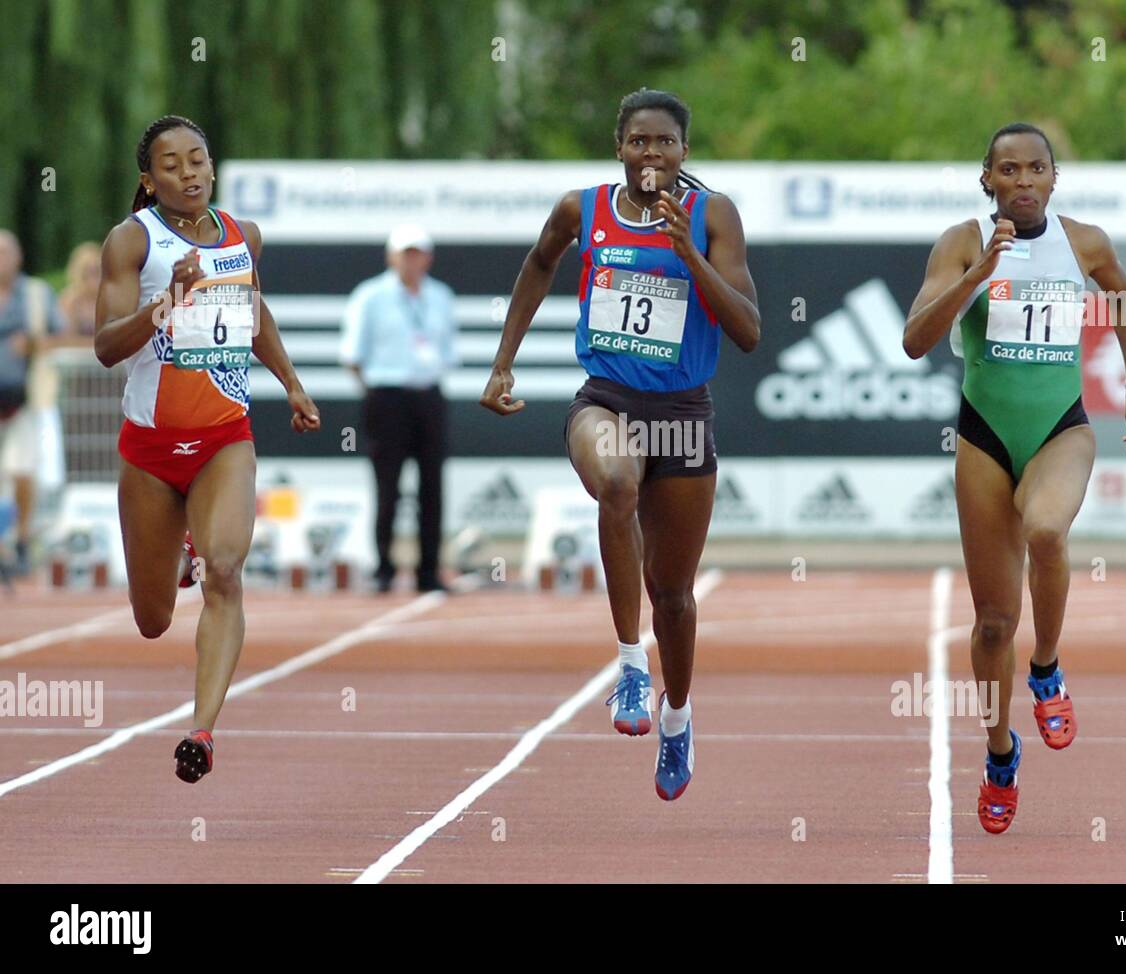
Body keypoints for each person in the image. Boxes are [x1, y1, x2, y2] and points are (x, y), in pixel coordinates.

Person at [480, 89, 761, 801]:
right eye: (638, 141)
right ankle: (630, 666)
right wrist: (503, 360)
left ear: (683, 152)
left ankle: (678, 714)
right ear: (619, 147)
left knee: (674, 596)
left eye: (664, 142)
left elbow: (750, 328)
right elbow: (538, 264)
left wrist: (688, 255)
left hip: (684, 413)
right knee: (616, 483)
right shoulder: (583, 209)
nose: (651, 154)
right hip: (606, 399)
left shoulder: (712, 214)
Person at [903, 122, 1126, 833]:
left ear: (1052, 179)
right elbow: (915, 340)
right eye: (1007, 169)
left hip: (1060, 428)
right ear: (987, 179)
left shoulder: (1085, 243)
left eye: (1035, 168)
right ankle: (998, 752)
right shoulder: (960, 242)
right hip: (984, 436)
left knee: (1047, 528)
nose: (1022, 180)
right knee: (990, 623)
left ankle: (1046, 666)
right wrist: (980, 274)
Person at [94, 115, 320, 783]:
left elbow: (255, 313)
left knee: (226, 571)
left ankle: (202, 729)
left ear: (212, 166)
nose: (188, 172)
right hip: (151, 452)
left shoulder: (243, 237)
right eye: (171, 164)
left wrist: (292, 384)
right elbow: (106, 347)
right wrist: (168, 300)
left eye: (197, 159)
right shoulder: (131, 242)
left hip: (225, 440)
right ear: (149, 180)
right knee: (153, 618)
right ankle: (181, 551)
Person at [340, 224, 457, 594]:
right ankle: (384, 569)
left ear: (429, 257)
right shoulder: (370, 296)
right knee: (386, 485)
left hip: (429, 395)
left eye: (418, 253)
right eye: (405, 253)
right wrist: (375, 390)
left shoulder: (440, 296)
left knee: (432, 488)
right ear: (392, 257)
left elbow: (448, 351)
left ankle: (428, 572)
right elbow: (353, 354)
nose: (412, 260)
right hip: (386, 396)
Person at [0, 229, 67, 575]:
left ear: (19, 257)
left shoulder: (37, 294)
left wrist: (35, 342)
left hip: (23, 400)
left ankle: (23, 538)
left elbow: (63, 335)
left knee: (22, 470)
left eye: (5, 253)